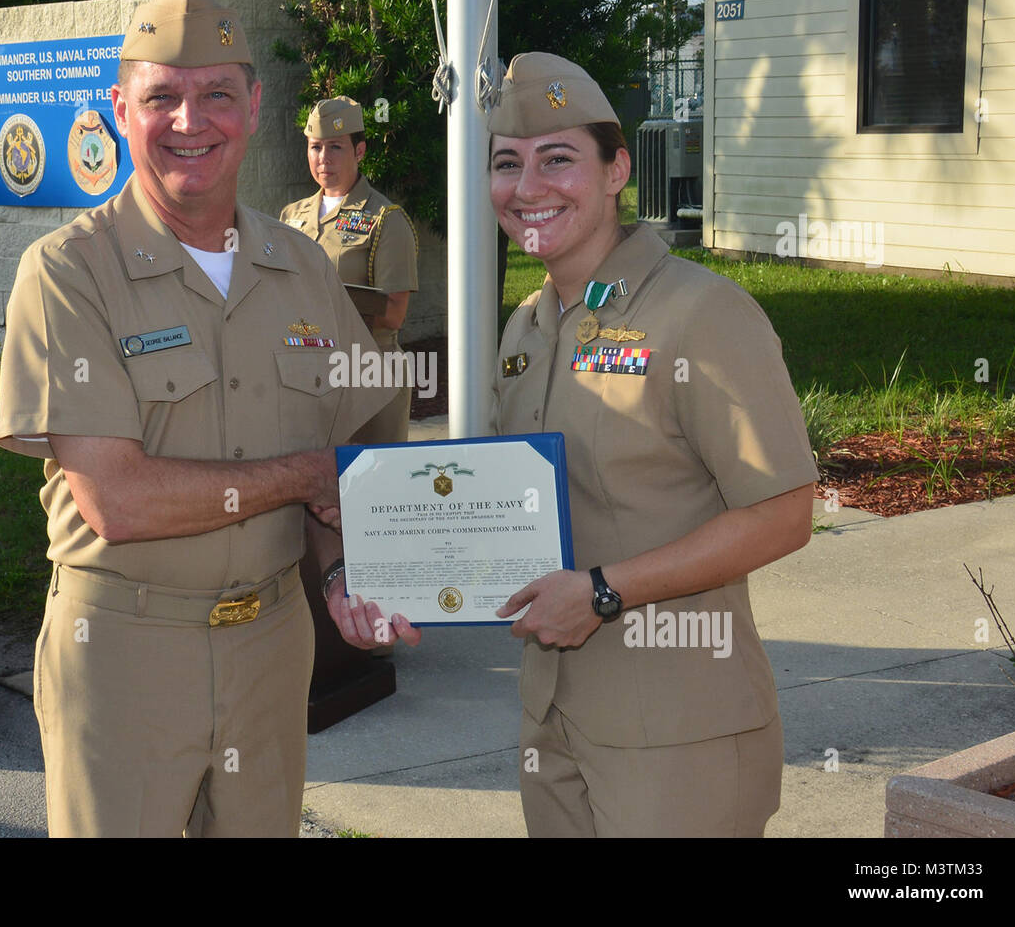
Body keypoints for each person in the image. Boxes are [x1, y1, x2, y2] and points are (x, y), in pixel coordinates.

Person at [0, 0, 396, 837]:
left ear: (253, 105)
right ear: (118, 109)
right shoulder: (69, 274)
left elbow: (336, 468)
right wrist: (306, 476)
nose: (191, 121)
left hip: (272, 646)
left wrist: (337, 570)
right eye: (161, 98)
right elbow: (119, 499)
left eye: (217, 94)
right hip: (125, 655)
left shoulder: (304, 268)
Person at [486, 52, 819, 837]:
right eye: (508, 164)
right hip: (554, 713)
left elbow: (784, 512)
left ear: (616, 170)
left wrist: (604, 591)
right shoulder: (527, 327)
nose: (528, 187)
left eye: (558, 159)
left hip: (679, 730)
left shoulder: (700, 313)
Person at [280, 97, 419, 444]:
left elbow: (394, 314)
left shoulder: (386, 219)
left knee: (373, 488)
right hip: (306, 375)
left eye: (336, 147)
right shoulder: (290, 216)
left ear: (360, 151)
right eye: (315, 147)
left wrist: (318, 300)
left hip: (368, 374)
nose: (323, 158)